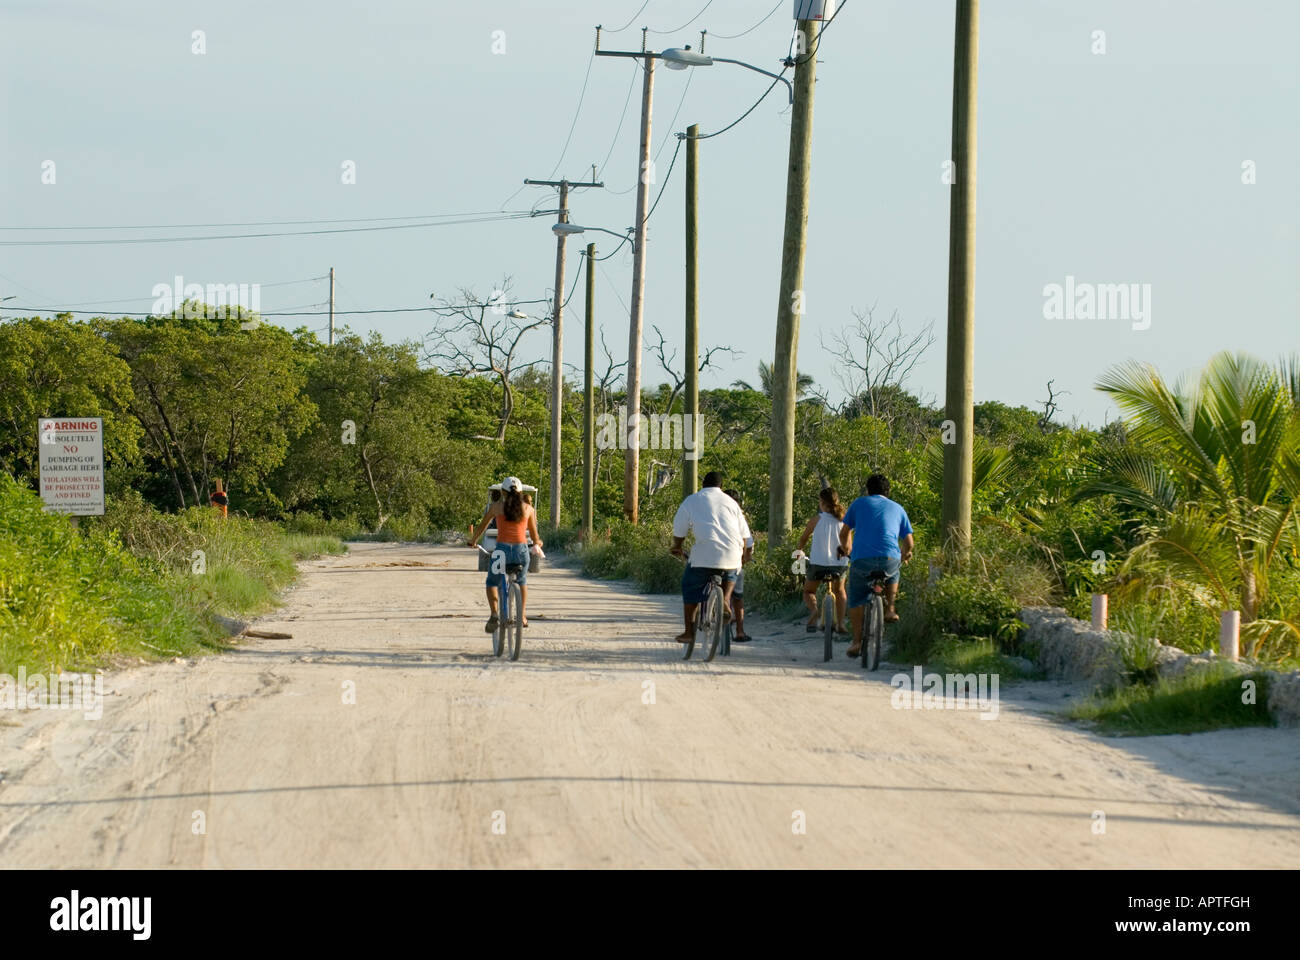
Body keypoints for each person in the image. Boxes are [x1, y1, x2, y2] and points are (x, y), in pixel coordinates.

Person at [670, 471, 751, 644]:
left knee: (690, 588)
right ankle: (726, 601)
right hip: (732, 557)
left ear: (703, 485)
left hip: (703, 558)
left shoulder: (692, 500)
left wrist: (677, 546)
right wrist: (743, 555)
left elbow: (679, 529)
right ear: (721, 487)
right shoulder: (732, 503)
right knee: (730, 576)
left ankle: (689, 633)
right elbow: (746, 536)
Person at [838, 473, 914, 658]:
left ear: (867, 490)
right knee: (893, 573)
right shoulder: (898, 508)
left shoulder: (858, 504)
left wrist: (847, 548)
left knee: (856, 598)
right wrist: (905, 554)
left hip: (862, 560)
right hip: (889, 559)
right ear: (888, 492)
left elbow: (844, 532)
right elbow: (909, 542)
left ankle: (856, 642)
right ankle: (890, 608)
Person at [469, 477, 542, 633]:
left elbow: (482, 526)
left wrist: (473, 540)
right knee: (522, 581)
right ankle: (522, 616)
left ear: (503, 492)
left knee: (491, 582)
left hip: (501, 551)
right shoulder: (528, 509)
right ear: (521, 493)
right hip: (520, 551)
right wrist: (538, 542)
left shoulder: (496, 507)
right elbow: (535, 536)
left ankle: (494, 613)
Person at [795, 487, 849, 635]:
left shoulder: (816, 520)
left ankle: (814, 611)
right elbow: (849, 544)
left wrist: (799, 553)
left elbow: (803, 539)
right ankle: (842, 623)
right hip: (839, 565)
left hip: (818, 564)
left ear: (822, 502)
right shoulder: (845, 520)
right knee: (840, 590)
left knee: (808, 591)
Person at [724, 489, 755, 642]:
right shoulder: (739, 518)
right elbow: (748, 543)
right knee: (738, 597)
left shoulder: (713, 515)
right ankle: (740, 631)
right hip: (734, 563)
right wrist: (746, 558)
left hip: (710, 561)